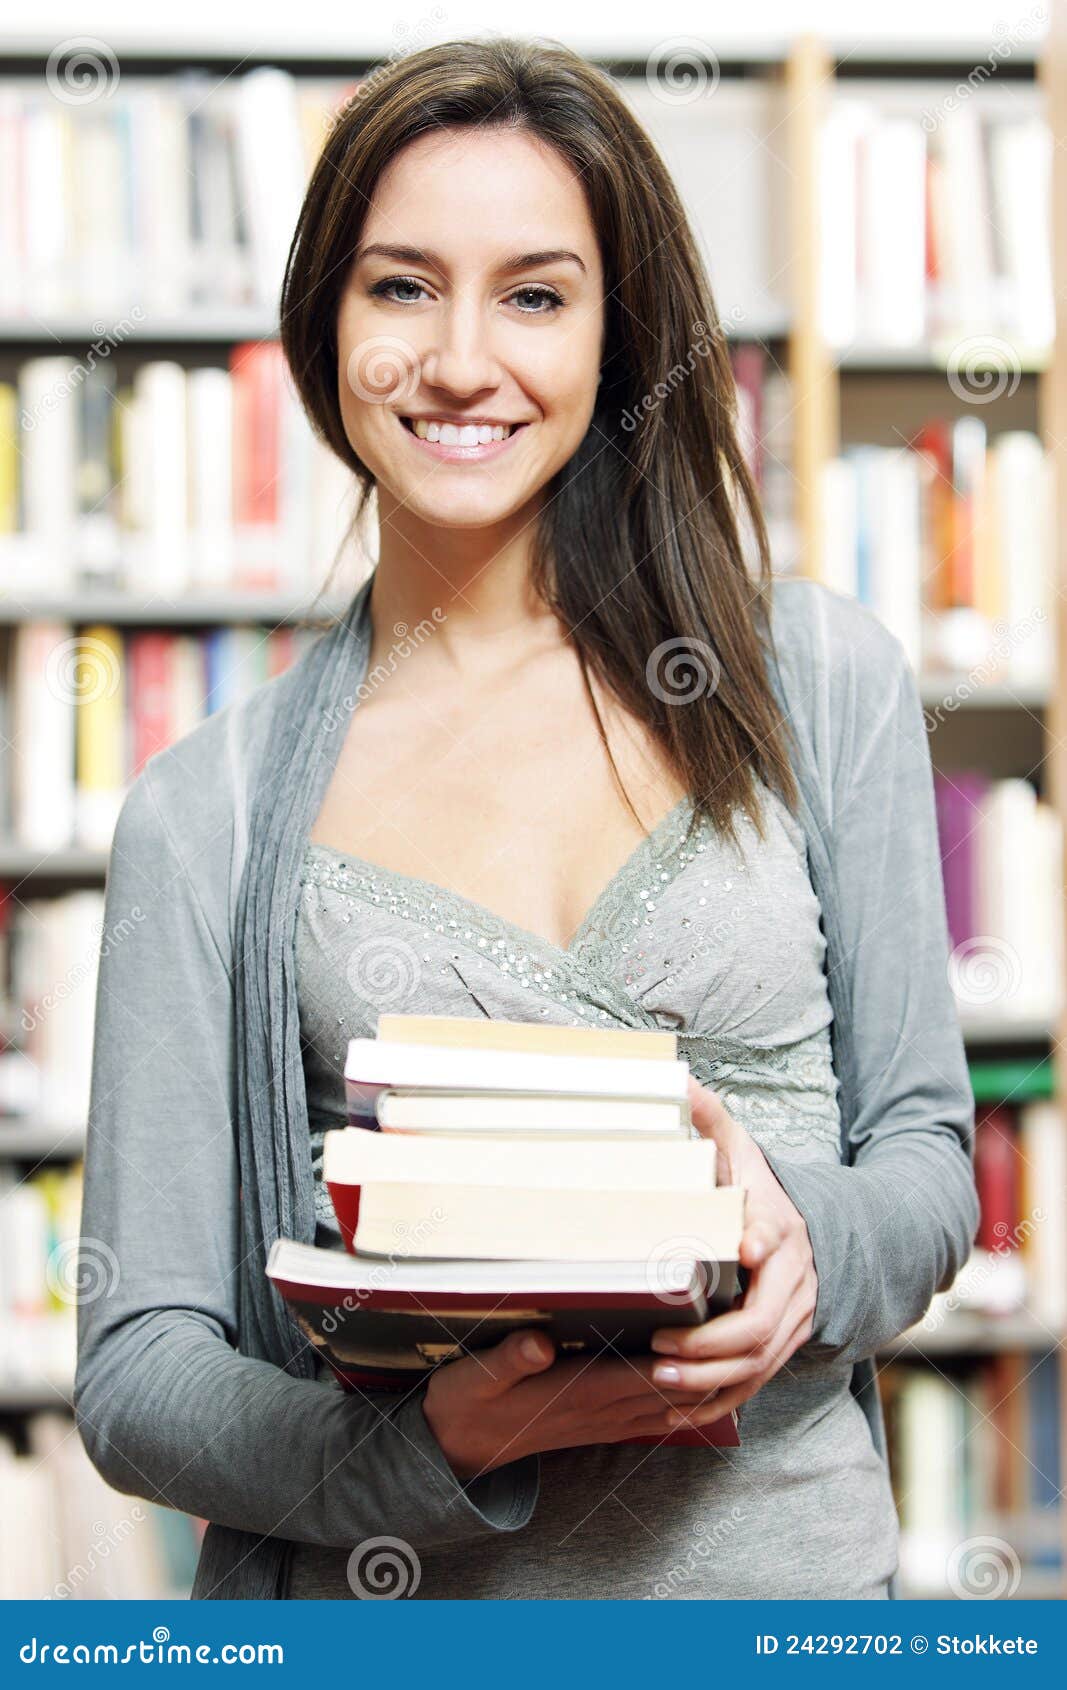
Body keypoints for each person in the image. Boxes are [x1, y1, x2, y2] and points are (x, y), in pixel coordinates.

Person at [74, 36, 978, 1601]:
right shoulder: (203, 812)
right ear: (323, 323)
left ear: (621, 336)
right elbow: (137, 1371)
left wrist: (807, 1245)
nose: (463, 360)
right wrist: (433, 1447)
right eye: (401, 287)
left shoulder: (819, 679)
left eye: (538, 295)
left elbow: (930, 1159)